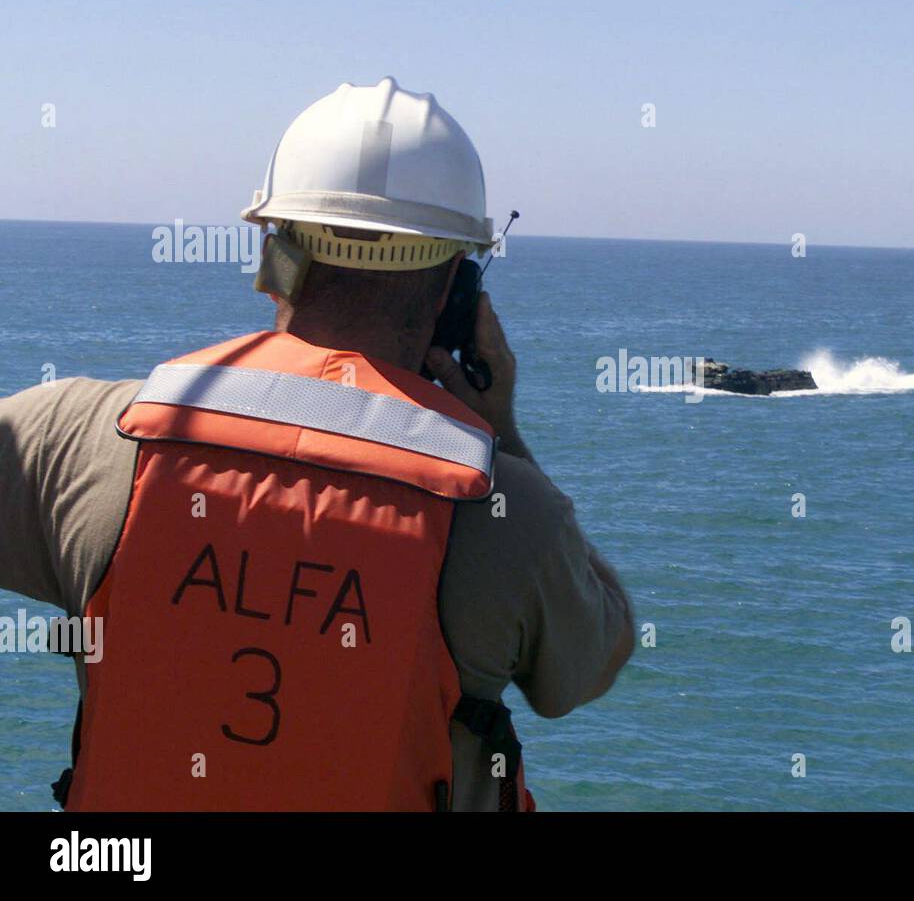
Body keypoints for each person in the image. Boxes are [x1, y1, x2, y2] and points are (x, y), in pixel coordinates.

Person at [0, 77, 634, 811]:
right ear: (456, 291)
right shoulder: (503, 513)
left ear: (276, 262)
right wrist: (505, 436)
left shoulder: (87, 439)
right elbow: (591, 661)